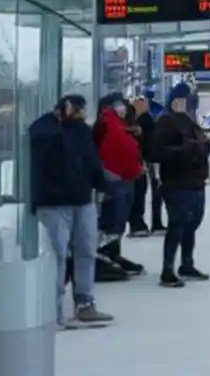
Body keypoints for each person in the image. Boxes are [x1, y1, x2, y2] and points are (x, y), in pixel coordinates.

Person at [29, 94, 113, 328]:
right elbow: (43, 140)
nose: (82, 115)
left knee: (86, 249)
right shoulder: (44, 128)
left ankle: (85, 302)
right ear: (65, 108)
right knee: (57, 254)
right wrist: (61, 118)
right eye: (78, 110)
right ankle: (52, 310)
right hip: (52, 202)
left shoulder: (82, 131)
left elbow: (92, 160)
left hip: (82, 200)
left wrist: (102, 185)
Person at [149, 82, 210, 288]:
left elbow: (203, 144)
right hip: (177, 182)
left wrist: (201, 147)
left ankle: (186, 263)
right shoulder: (165, 121)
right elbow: (156, 152)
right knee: (178, 224)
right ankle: (168, 269)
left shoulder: (189, 121)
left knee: (192, 223)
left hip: (195, 181)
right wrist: (189, 148)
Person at [94, 93, 145, 277]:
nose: (122, 108)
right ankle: (103, 257)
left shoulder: (123, 125)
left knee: (120, 218)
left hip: (125, 177)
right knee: (112, 220)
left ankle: (112, 254)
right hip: (114, 178)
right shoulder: (107, 126)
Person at [128, 96, 164, 236]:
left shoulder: (139, 122)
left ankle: (139, 223)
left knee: (142, 192)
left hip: (144, 161)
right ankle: (153, 223)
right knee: (152, 192)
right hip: (148, 161)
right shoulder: (147, 121)